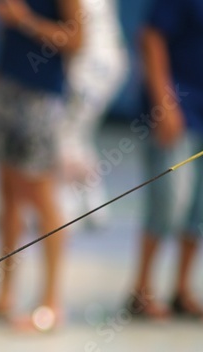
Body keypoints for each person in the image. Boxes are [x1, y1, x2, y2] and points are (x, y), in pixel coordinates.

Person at [127, 0, 203, 322]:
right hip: (178, 111)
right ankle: (140, 291)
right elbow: (151, 38)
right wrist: (164, 103)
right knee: (168, 201)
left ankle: (182, 289)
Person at [0, 0, 82, 332]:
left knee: (41, 194)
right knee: (7, 194)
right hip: (7, 88)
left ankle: (51, 303)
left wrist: (26, 21)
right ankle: (5, 295)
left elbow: (77, 41)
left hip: (41, 96)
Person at [58, 0, 128, 230]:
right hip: (108, 65)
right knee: (79, 135)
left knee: (65, 135)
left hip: (91, 70)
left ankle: (68, 208)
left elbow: (73, 37)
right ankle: (95, 206)